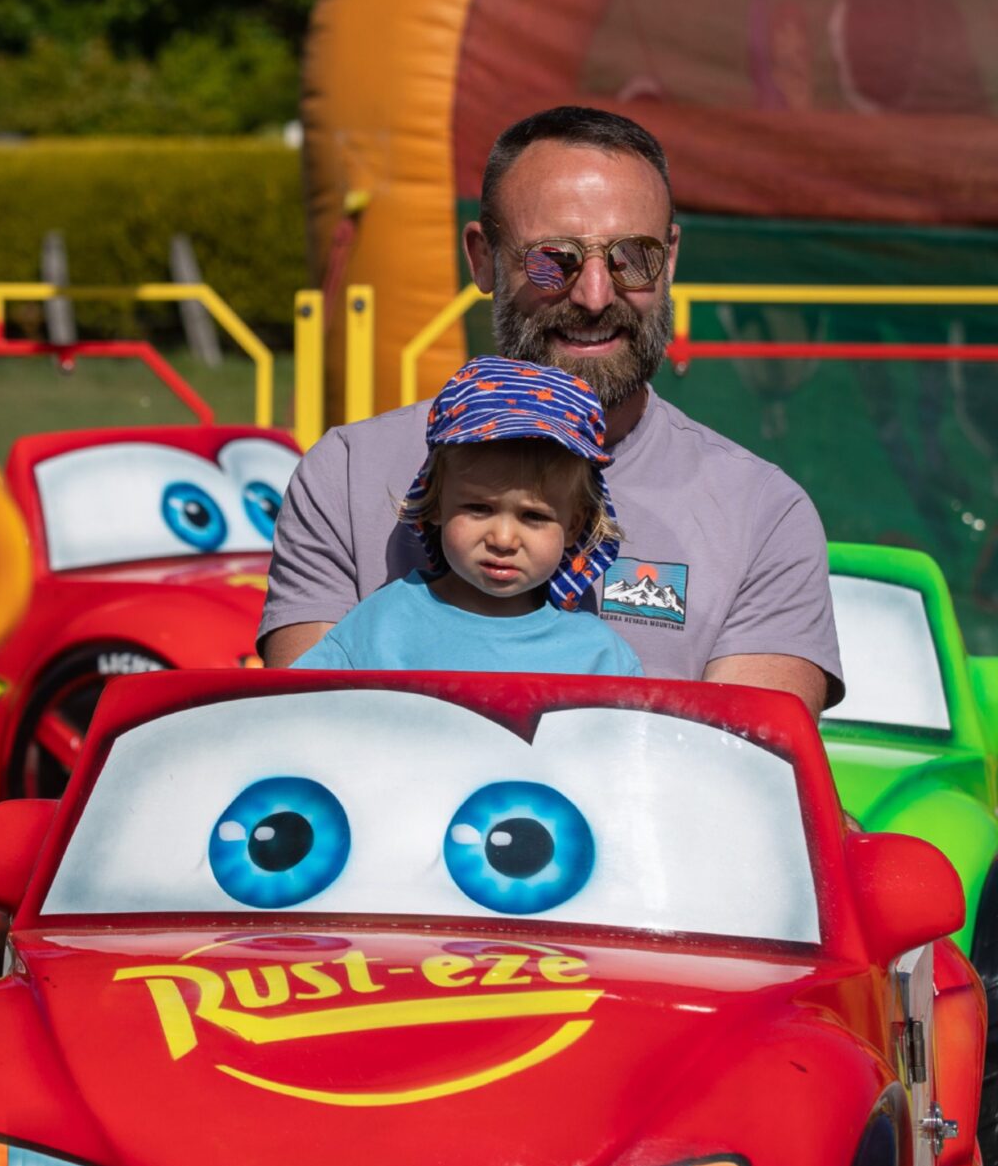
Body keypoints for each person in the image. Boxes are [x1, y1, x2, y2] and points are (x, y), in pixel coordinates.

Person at [260, 105, 842, 714]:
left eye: (633, 257)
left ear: (669, 259)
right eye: (553, 260)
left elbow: (745, 771)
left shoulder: (762, 516)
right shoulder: (347, 476)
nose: (595, 294)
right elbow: (307, 742)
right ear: (483, 258)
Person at [295, 357, 642, 675]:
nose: (503, 539)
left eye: (534, 516)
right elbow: (298, 714)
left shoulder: (599, 658)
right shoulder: (380, 626)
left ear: (573, 526)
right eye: (479, 508)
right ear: (434, 503)